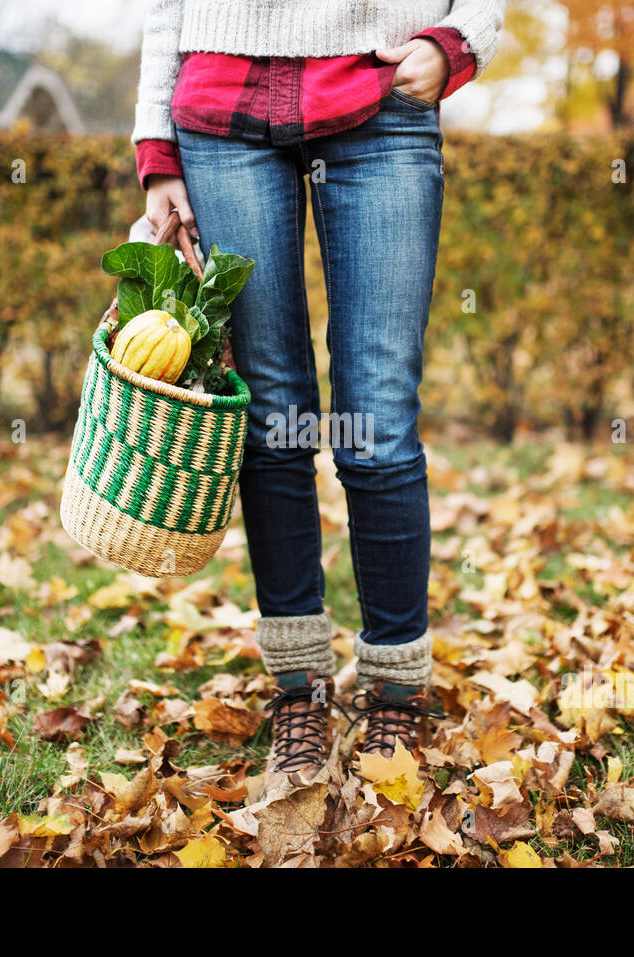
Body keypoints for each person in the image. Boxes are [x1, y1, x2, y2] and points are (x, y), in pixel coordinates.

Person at [133, 0, 507, 788]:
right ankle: (299, 687)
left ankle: (397, 688)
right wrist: (157, 146)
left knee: (377, 420)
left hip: (381, 95)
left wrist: (460, 39)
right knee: (272, 420)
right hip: (223, 104)